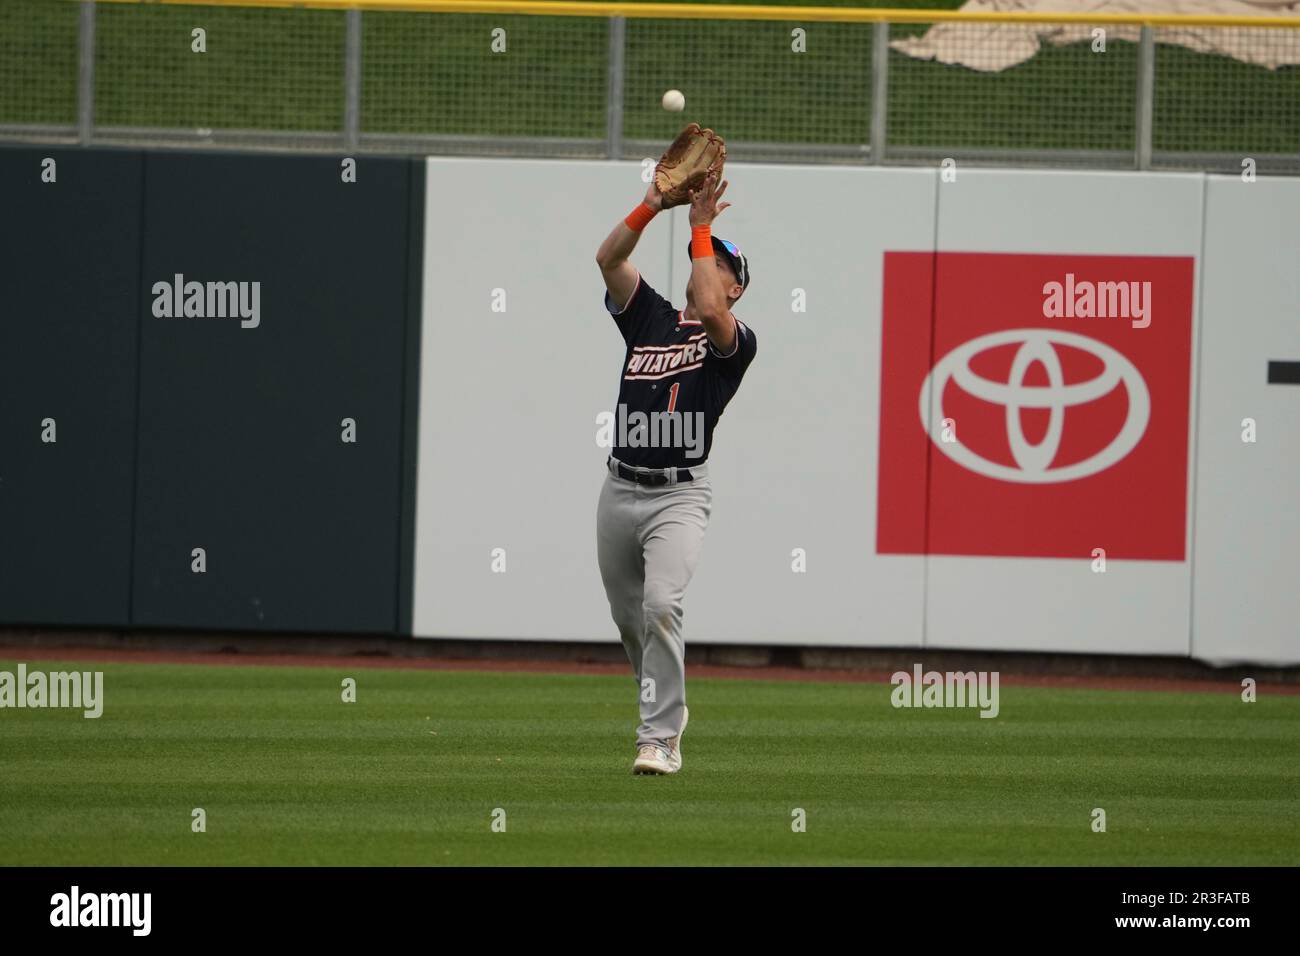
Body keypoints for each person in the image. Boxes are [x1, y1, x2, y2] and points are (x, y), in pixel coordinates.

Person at [593, 170, 758, 775]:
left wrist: (700, 227)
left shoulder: (733, 341)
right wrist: (651, 205)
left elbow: (710, 306)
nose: (709, 268)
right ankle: (662, 708)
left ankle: (659, 737)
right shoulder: (652, 319)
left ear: (736, 289)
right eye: (704, 260)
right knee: (629, 617)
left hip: (678, 497)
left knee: (662, 603)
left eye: (721, 264)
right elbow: (608, 258)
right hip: (619, 486)